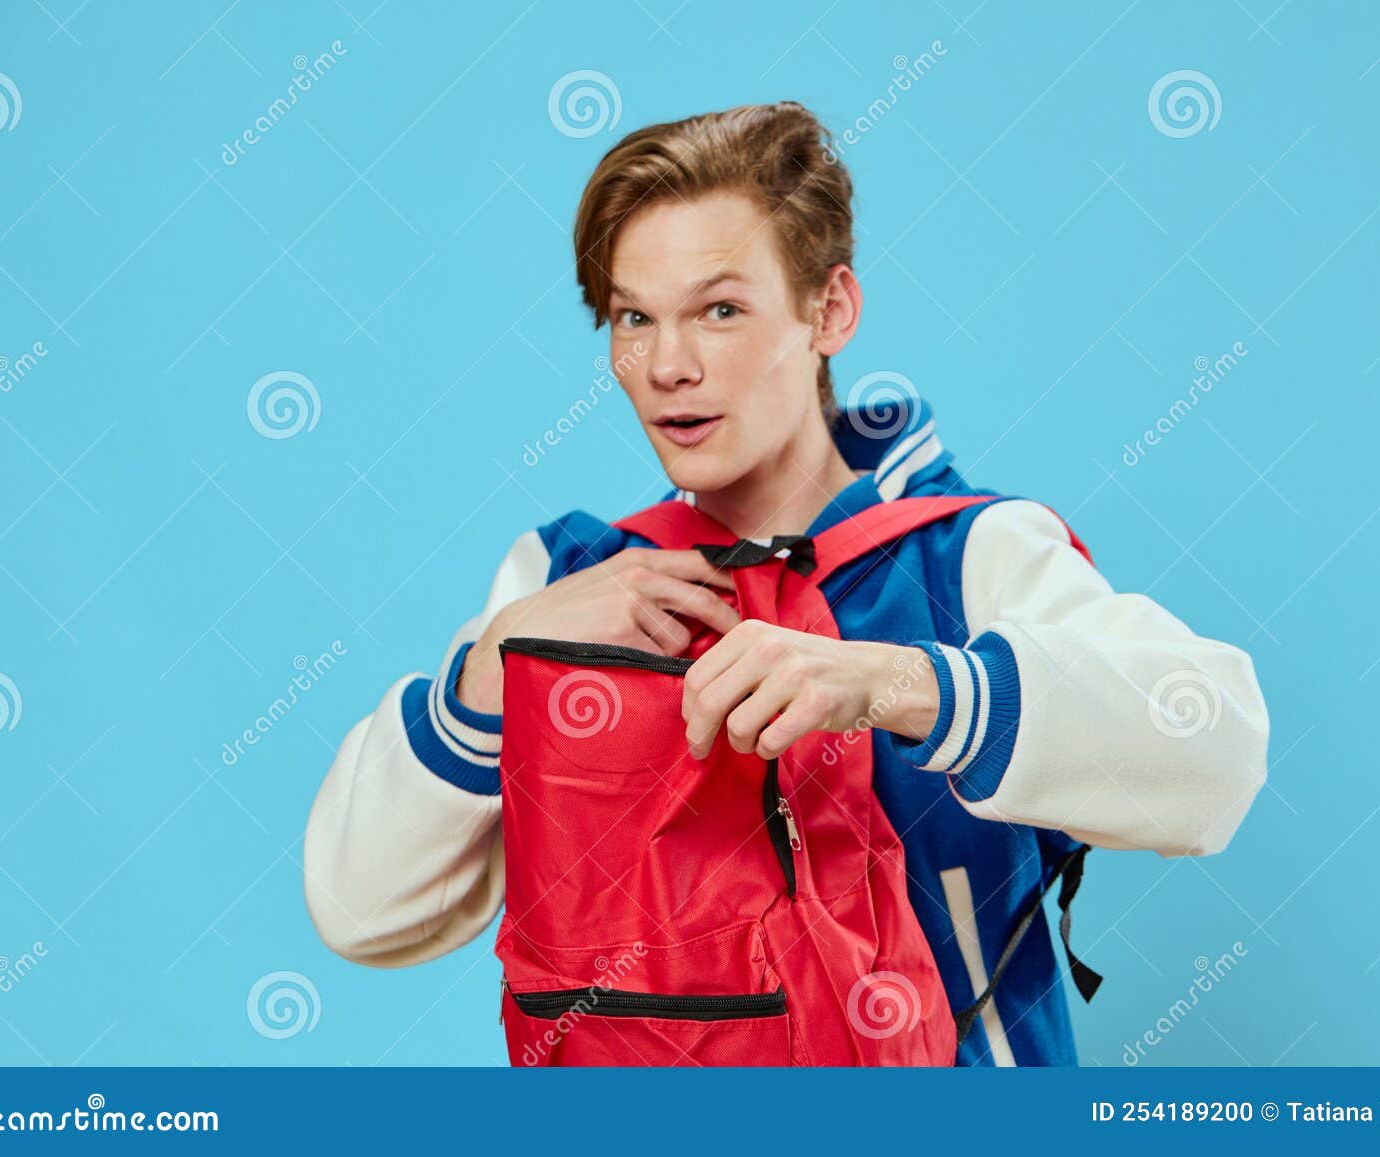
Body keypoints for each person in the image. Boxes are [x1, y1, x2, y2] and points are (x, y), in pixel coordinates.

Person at [302, 101, 1271, 1066]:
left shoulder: (967, 557)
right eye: (634, 317)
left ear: (829, 310)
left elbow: (1219, 756)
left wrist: (894, 683)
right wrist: (496, 660)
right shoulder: (561, 579)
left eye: (719, 310)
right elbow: (360, 909)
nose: (668, 365)